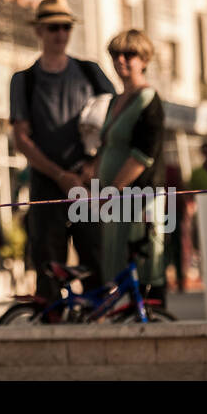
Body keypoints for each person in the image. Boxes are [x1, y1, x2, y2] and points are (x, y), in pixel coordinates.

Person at [8, 0, 114, 300]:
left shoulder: (89, 71)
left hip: (87, 180)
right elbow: (22, 139)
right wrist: (59, 175)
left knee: (96, 261)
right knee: (48, 265)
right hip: (46, 182)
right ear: (39, 30)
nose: (60, 34)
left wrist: (92, 166)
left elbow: (114, 122)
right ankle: (52, 334)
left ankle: (98, 332)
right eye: (54, 27)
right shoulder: (24, 80)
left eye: (66, 27)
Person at [84, 30, 167, 299]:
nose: (121, 60)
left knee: (143, 274)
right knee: (115, 272)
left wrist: (111, 189)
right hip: (114, 203)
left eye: (129, 54)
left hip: (140, 200)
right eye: (115, 54)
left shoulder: (149, 99)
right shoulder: (115, 101)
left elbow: (143, 156)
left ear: (144, 59)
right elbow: (106, 147)